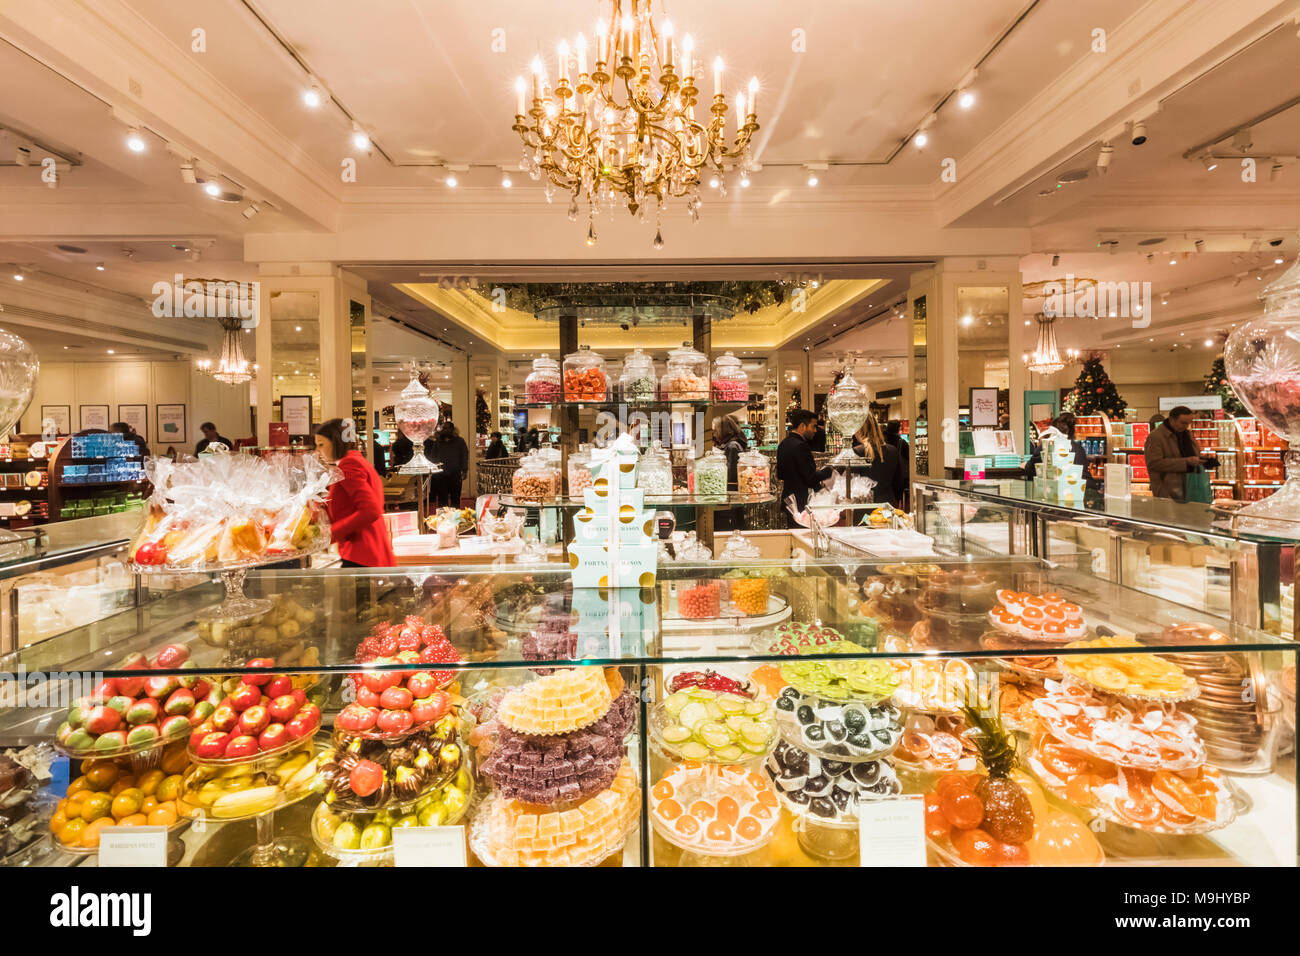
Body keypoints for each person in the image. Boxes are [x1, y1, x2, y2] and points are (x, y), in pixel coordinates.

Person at [313, 418, 395, 567]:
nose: (318, 451)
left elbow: (371, 510)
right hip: (368, 550)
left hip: (362, 552)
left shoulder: (348, 465)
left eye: (321, 445)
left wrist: (332, 532)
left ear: (336, 442)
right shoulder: (355, 461)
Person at [1144, 405, 1217, 501]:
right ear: (1172, 420)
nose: (1186, 426)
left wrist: (1203, 460)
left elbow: (1194, 454)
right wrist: (1186, 462)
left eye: (1189, 423)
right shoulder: (1156, 437)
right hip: (1168, 493)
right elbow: (1154, 463)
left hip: (1190, 490)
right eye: (1183, 423)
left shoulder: (1187, 434)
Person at [777, 409, 833, 527]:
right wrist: (829, 470)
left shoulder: (783, 443)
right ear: (802, 426)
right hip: (802, 502)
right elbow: (810, 478)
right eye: (813, 426)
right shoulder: (801, 446)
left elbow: (780, 474)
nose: (815, 430)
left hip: (789, 500)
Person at [850, 416, 908, 507]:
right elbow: (899, 483)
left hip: (864, 507)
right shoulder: (893, 450)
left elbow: (852, 486)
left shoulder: (857, 452)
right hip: (888, 505)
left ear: (859, 429)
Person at [1023, 413, 1089, 480]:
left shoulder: (1046, 446)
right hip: (1081, 487)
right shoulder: (1079, 449)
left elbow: (1030, 469)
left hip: (1053, 488)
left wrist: (1024, 465)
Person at [711, 414, 747, 532]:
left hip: (731, 498)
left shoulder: (732, 446)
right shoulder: (728, 445)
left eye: (715, 430)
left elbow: (731, 476)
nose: (714, 434)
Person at [429, 419, 470, 508]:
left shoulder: (460, 441)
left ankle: (455, 517)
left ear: (452, 429)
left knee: (455, 497)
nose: (446, 430)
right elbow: (433, 456)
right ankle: (443, 518)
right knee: (442, 498)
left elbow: (464, 455)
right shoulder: (438, 442)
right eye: (444, 428)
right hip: (440, 474)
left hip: (455, 473)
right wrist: (434, 469)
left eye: (448, 428)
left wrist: (465, 470)